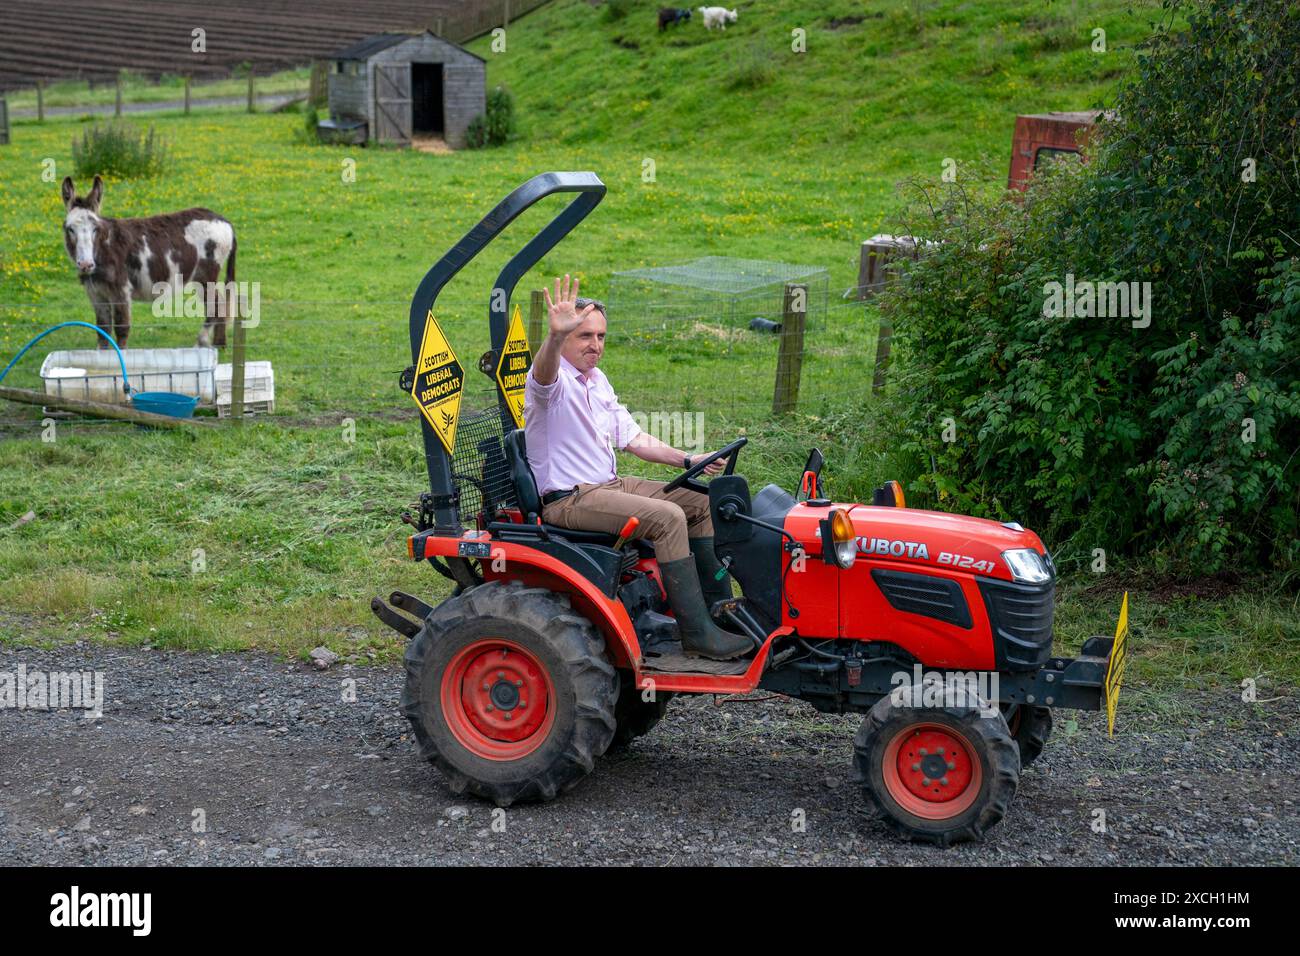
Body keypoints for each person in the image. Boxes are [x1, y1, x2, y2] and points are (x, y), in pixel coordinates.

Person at [523, 275, 751, 660]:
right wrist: (555, 337)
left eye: (601, 337)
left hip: (610, 486)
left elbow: (635, 439)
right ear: (565, 339)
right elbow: (543, 374)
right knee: (667, 518)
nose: (595, 346)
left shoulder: (597, 381)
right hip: (571, 499)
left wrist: (689, 460)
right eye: (584, 337)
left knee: (705, 501)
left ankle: (720, 616)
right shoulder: (552, 381)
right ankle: (697, 635)